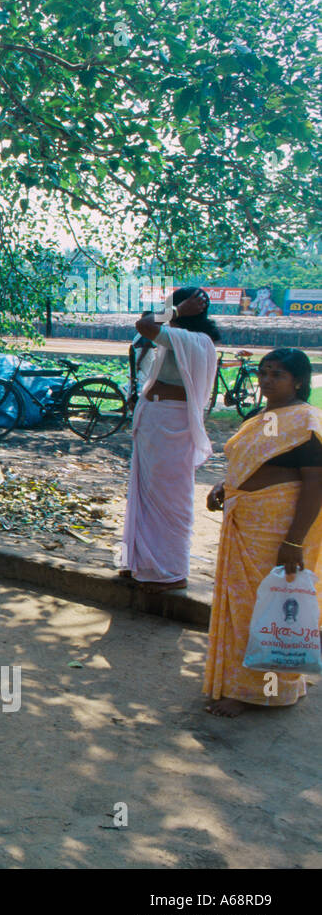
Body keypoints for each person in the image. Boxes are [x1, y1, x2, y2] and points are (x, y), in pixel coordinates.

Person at [204, 348, 322, 717]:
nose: (267, 380)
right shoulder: (261, 415)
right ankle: (240, 682)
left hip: (276, 530)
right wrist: (225, 486)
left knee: (268, 611)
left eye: (278, 375)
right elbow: (249, 461)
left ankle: (263, 690)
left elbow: (315, 486)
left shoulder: (307, 423)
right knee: (240, 608)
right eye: (264, 372)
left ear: (298, 381)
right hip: (245, 522)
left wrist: (293, 541)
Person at [119, 287, 219, 592]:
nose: (165, 312)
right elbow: (144, 326)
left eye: (170, 307)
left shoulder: (194, 340)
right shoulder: (173, 337)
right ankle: (141, 564)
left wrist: (177, 311)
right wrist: (174, 312)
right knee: (146, 496)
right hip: (155, 421)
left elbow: (144, 325)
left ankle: (170, 572)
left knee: (169, 499)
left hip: (171, 426)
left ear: (187, 310)